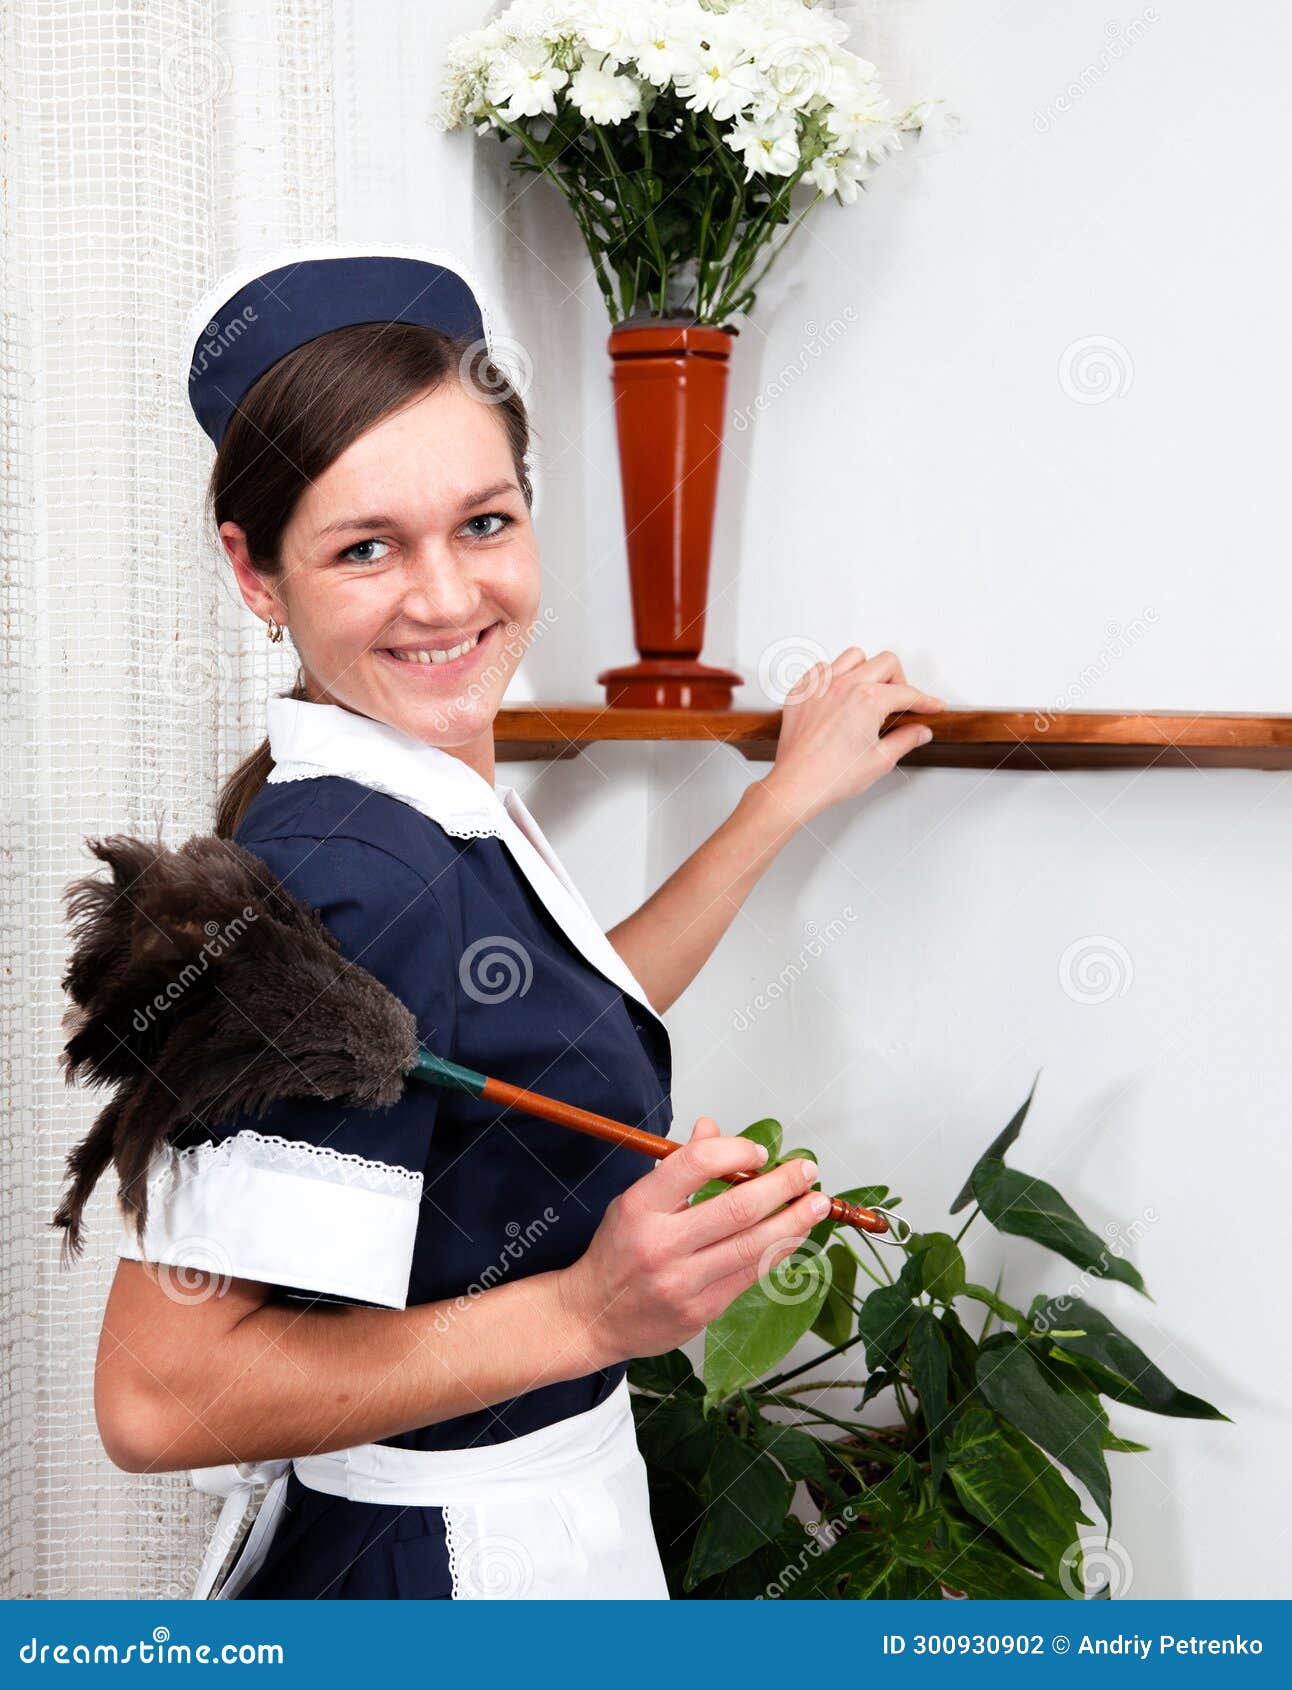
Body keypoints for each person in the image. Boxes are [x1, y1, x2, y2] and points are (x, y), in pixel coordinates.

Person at [92, 243, 945, 1600]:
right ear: (256, 575)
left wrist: (783, 803)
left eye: (483, 523)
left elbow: (569, 1011)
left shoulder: (428, 802)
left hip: (545, 1529)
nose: (446, 597)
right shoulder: (349, 876)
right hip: (447, 1571)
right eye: (366, 547)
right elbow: (155, 1392)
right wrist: (592, 1309)